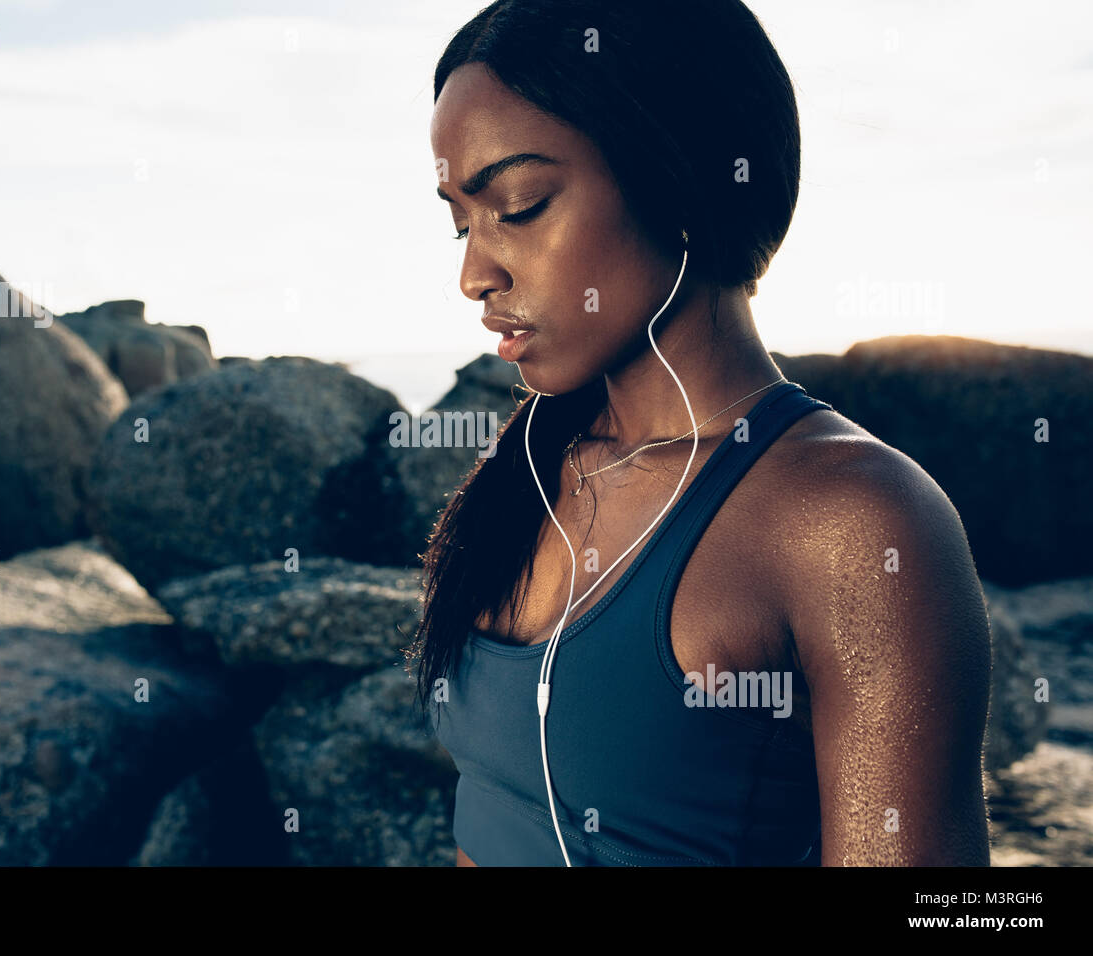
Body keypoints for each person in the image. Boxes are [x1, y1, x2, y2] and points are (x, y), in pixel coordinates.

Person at [406, 0, 992, 866]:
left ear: (677, 180)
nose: (473, 272)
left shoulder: (853, 520)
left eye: (520, 206)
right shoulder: (525, 469)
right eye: (462, 220)